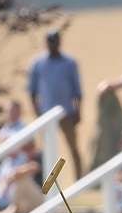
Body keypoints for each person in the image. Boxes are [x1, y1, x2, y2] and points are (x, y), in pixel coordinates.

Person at [28, 30, 83, 178]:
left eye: (55, 41)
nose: (53, 45)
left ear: (59, 42)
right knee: (47, 151)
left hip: (67, 113)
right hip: (46, 115)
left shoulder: (70, 63)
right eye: (50, 42)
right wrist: (37, 113)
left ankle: (80, 179)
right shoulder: (37, 64)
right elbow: (32, 91)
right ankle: (47, 180)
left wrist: (78, 111)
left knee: (73, 148)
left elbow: (77, 90)